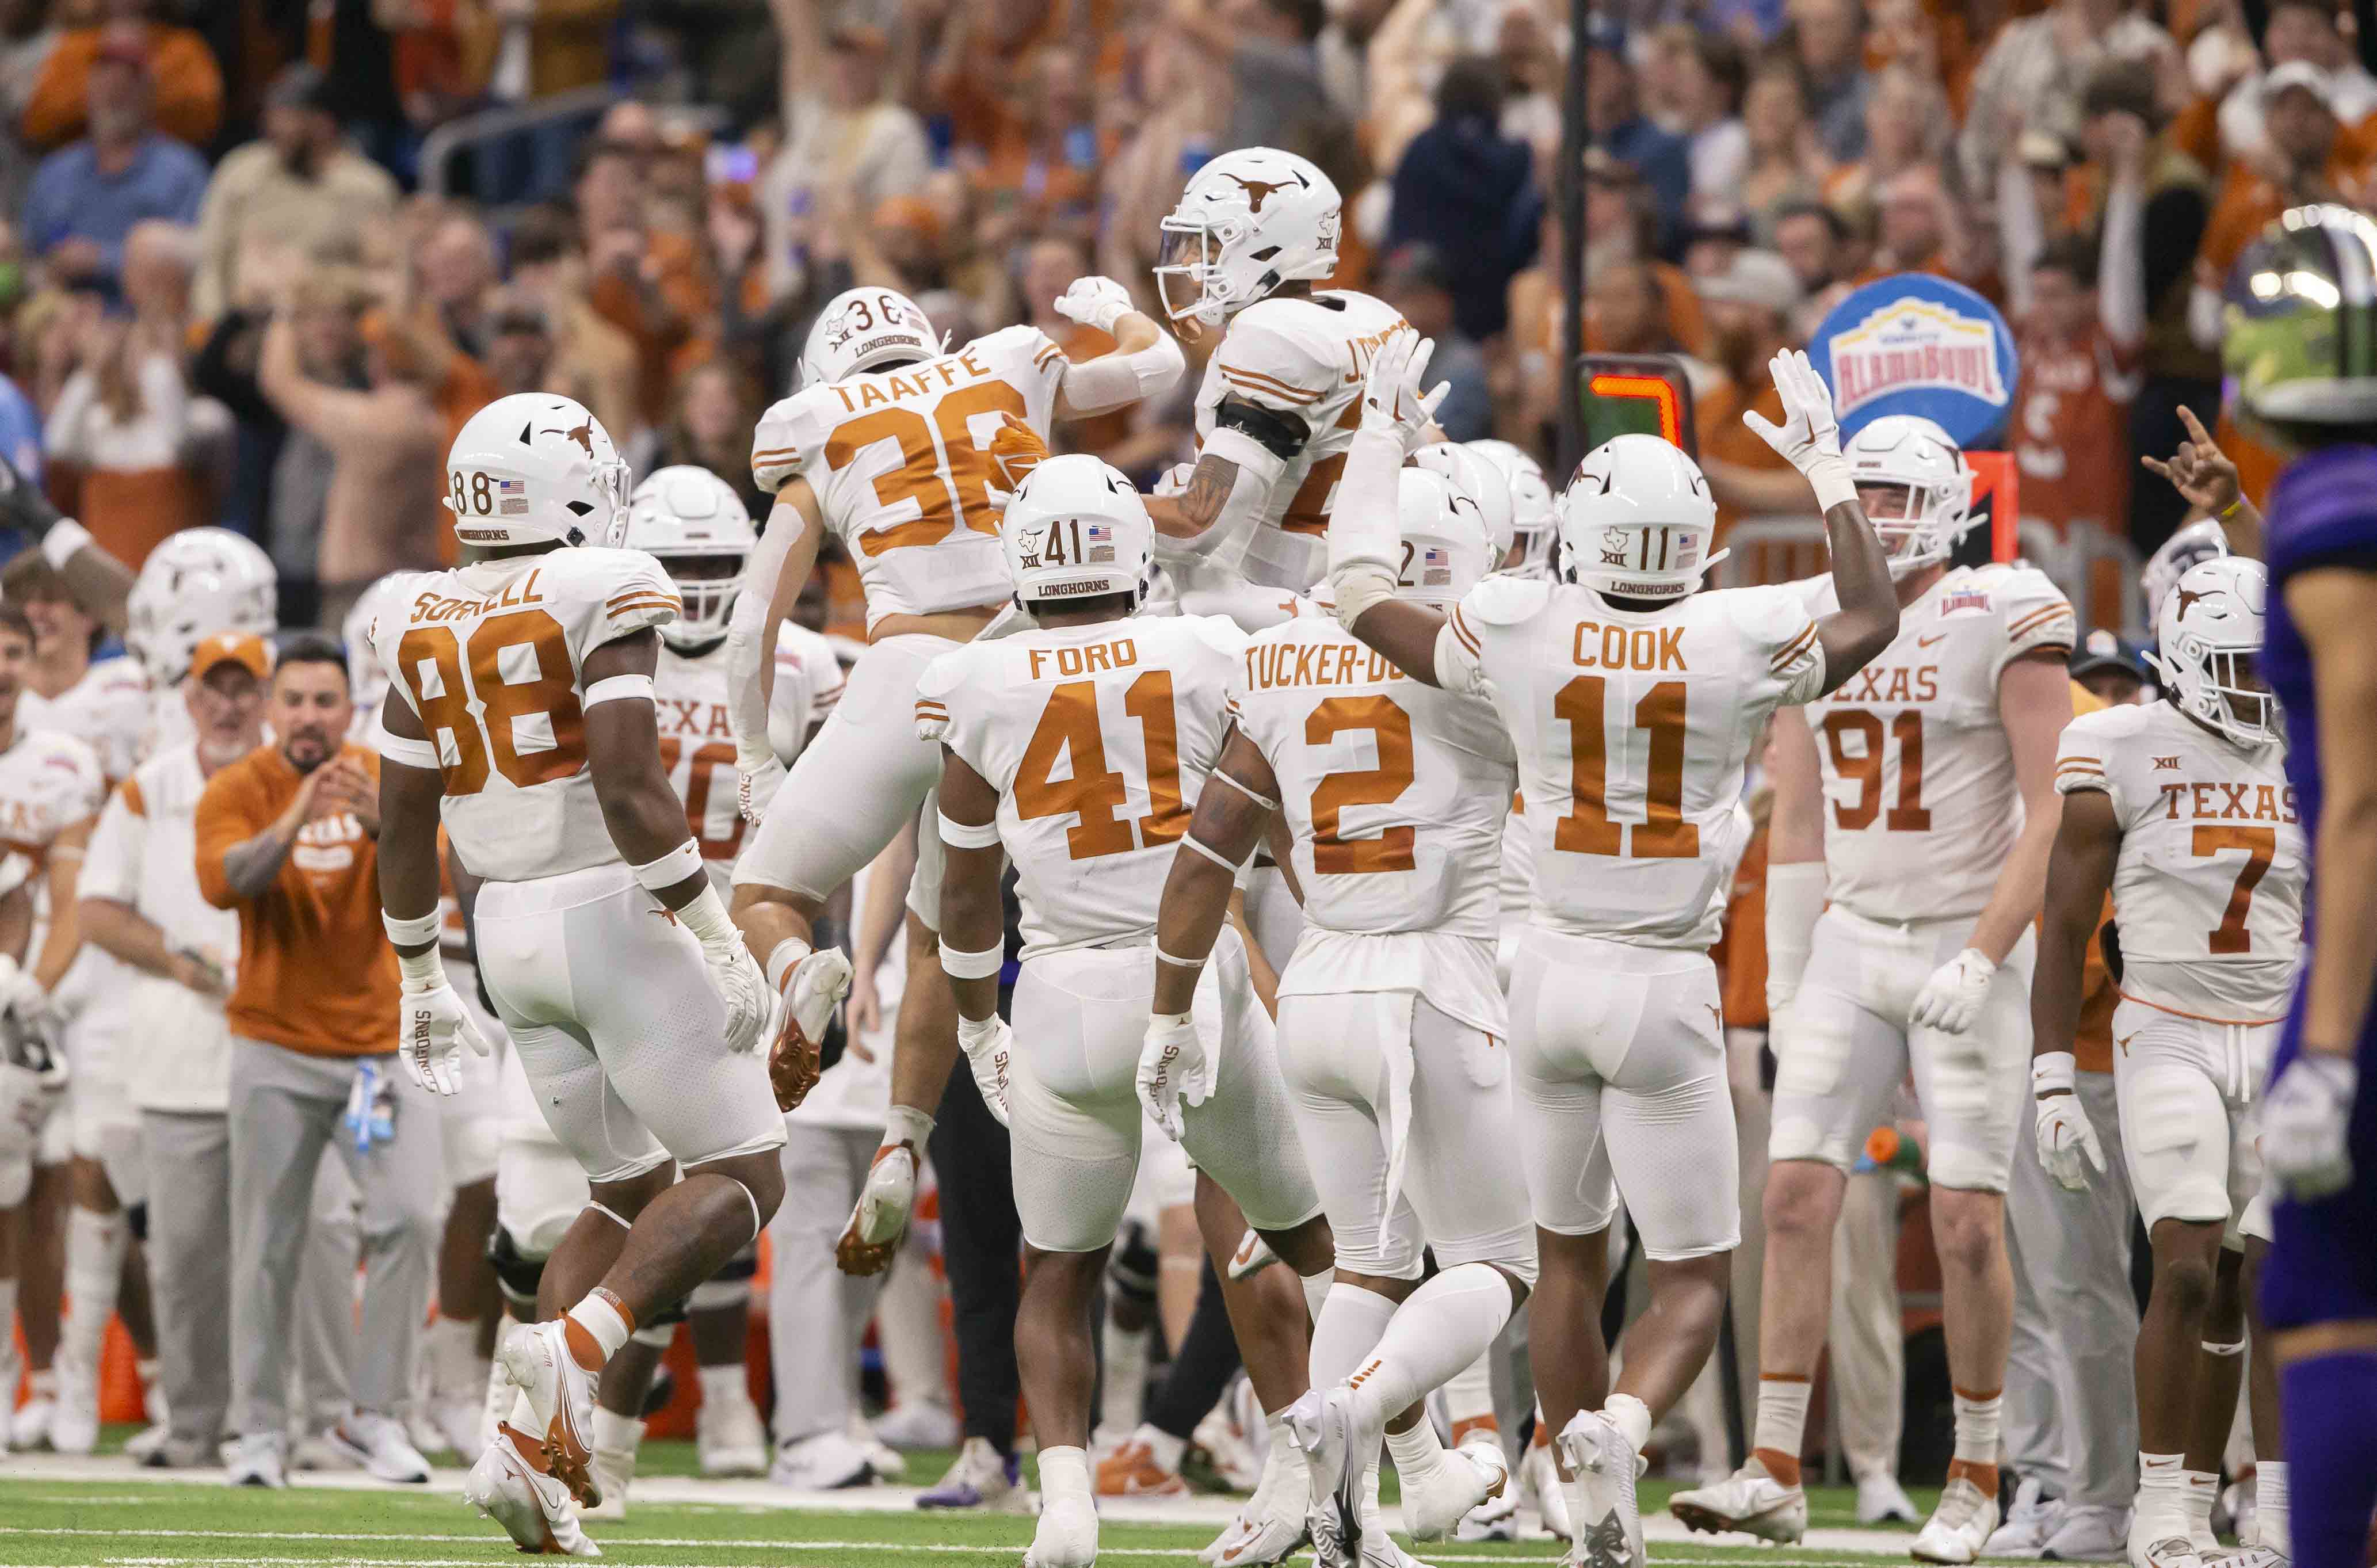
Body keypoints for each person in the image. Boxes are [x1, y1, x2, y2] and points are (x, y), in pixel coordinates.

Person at [1330, 339, 1899, 1564]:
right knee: (1689, 1278)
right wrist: (1827, 473)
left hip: (1540, 974)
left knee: (1562, 1265)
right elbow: (1870, 612)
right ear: (1696, 542)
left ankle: (1575, 1483)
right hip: (1662, 984)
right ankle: (1619, 1435)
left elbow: (1359, 597)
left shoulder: (1520, 624)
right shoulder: (1737, 634)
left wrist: (1376, 446)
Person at [369, 392, 784, 1554]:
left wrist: (416, 974)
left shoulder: (416, 610)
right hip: (608, 904)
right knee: (749, 1175)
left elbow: (404, 820)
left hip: (500, 928)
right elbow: (625, 779)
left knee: (618, 1186)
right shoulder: (604, 583)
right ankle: (575, 1349)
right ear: (571, 489)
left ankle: (527, 1458)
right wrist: (711, 928)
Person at [727, 276, 1184, 1314]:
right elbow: (1156, 367)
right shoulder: (1007, 363)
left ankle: (801, 971)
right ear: (929, 340)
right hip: (1033, 664)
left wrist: (761, 758)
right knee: (945, 920)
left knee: (769, 894)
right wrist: (1115, 308)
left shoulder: (818, 429)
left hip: (910, 668)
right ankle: (904, 1139)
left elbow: (753, 621)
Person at [1671, 412, 2078, 1562]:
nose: (1889, 519)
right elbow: (1792, 813)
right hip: (1853, 933)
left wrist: (1986, 951)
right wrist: (1792, 982)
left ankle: (1974, 1474)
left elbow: (2049, 808)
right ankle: (1774, 1466)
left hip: (1962, 934)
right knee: (1793, 1197)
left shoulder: (1999, 608)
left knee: (1962, 1220)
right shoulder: (1814, 614)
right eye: (1871, 497)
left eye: (1907, 496)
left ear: (1951, 503)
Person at [921, 453, 1333, 1568]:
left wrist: (975, 1025)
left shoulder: (981, 680)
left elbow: (962, 890)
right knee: (1308, 1239)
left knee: (1057, 1268)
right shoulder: (1206, 653)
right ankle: (1370, 1463)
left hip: (1057, 992)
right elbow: (1284, 818)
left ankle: (1064, 1509)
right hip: (1191, 980)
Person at [1155, 455, 1533, 1552]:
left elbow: (1205, 858)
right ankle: (1353, 1412)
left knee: (1363, 1265)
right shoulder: (1487, 659)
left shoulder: (1274, 658)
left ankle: (1331, 1514)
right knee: (1494, 1263)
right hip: (1434, 980)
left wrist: (1170, 1015)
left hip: (1316, 985)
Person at [2033, 556, 2303, 1568]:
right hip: (2168, 1025)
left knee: (2270, 1278)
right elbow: (2062, 927)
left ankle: (2269, 1506)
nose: (2256, 686)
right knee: (2186, 1267)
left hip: (2277, 1029)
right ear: (2185, 661)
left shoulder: (2305, 746)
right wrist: (2053, 1074)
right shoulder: (2120, 744)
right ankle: (2161, 1510)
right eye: (2237, 665)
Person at [623, 463, 843, 1487]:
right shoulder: (609, 653)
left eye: (719, 563)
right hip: (631, 945)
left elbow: (849, 812)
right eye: (681, 565)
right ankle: (617, 1397)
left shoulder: (798, 660)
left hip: (744, 952)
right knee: (620, 1193)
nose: (701, 584)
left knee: (726, 1186)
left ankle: (714, 1409)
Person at [2223, 203, 2377, 1568]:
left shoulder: (2340, 511)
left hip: (2363, 967)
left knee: (2326, 1293)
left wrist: (2326, 1046)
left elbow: (2370, 796)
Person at [193, 635, 436, 1489]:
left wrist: (384, 822)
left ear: (349, 708)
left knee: (411, 1217)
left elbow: (442, 879)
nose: (307, 717)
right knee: (268, 1243)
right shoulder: (238, 788)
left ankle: (373, 1416)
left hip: (378, 1050)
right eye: (292, 700)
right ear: (270, 709)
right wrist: (297, 812)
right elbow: (227, 883)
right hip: (275, 1049)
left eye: (323, 701)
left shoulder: (387, 780)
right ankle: (258, 1431)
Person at [74, 631, 265, 1468]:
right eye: (212, 689)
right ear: (186, 699)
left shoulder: (294, 785)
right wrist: (182, 962)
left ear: (264, 696)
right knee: (184, 1251)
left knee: (278, 1245)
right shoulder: (150, 790)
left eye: (243, 689)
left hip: (284, 1037)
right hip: (179, 1038)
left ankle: (271, 1415)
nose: (228, 704)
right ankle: (191, 1420)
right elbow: (97, 911)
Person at [1139, 146, 1407, 630]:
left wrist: (1075, 502)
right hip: (1341, 590)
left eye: (1211, 245)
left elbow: (1197, 520)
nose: (1192, 262)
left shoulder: (1273, 340)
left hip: (1271, 608)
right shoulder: (1369, 317)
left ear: (1265, 248)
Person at [0, 599, 106, 1453]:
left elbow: (72, 898)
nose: (2, 668)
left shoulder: (63, 762)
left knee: (45, 1190)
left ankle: (43, 1379)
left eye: (13, 651)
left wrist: (28, 989)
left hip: (38, 1003)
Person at [190, 63, 398, 323]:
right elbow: (212, 256)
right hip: (242, 319)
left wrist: (311, 279)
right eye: (272, 115)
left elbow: (385, 279)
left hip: (329, 323)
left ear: (324, 123)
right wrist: (209, 324)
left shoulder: (367, 188)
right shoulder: (242, 171)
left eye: (287, 117)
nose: (274, 126)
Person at [18, 25, 205, 294]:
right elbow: (28, 258)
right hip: (60, 317)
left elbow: (198, 262)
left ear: (150, 93)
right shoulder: (55, 172)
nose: (115, 91)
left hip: (145, 319)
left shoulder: (181, 171)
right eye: (105, 82)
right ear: (89, 91)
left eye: (128, 84)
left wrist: (102, 260)